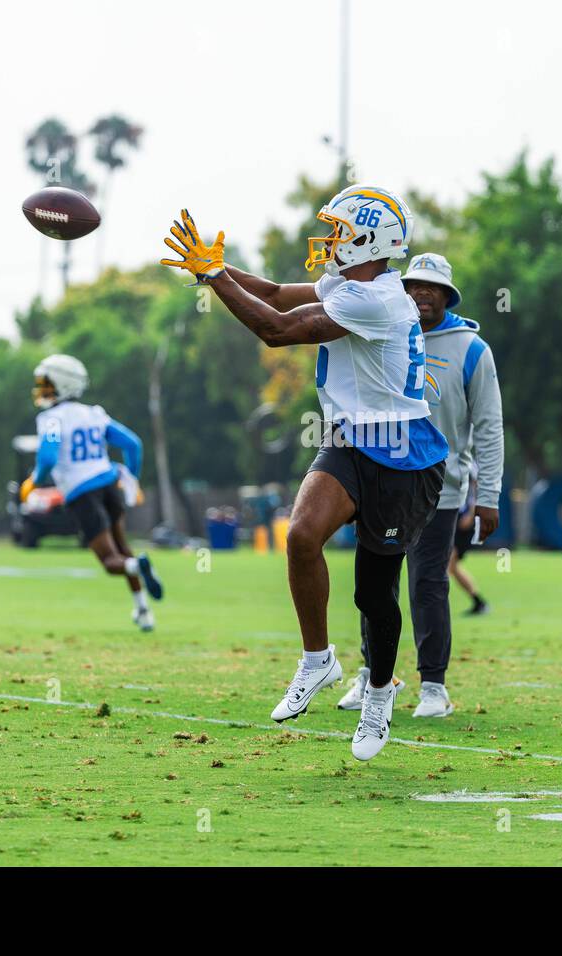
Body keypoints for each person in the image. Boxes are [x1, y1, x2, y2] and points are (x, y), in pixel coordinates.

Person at [160, 187, 448, 761]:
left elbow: (276, 328)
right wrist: (212, 267)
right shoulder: (350, 285)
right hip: (351, 438)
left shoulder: (379, 301)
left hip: (402, 451)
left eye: (341, 232)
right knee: (300, 536)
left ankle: (378, 696)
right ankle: (318, 660)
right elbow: (268, 292)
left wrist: (214, 278)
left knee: (375, 593)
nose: (331, 241)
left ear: (370, 240)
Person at [339, 252, 503, 718]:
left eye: (434, 288)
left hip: (442, 487)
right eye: (415, 286)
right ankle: (376, 675)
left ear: (448, 296)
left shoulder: (472, 349)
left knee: (428, 584)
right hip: (384, 480)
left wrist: (487, 496)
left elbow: (489, 427)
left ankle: (433, 687)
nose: (423, 294)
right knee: (375, 585)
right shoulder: (384, 329)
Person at [20, 354, 163, 630]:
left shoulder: (51, 418)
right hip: (109, 483)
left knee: (111, 562)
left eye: (46, 384)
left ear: (63, 384)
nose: (41, 389)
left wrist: (33, 481)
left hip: (82, 492)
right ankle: (143, 611)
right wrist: (130, 478)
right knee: (123, 549)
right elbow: (133, 444)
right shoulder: (94, 413)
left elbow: (48, 458)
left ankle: (138, 568)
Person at [449, 466, 490, 617]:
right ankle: (479, 601)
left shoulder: (468, 464)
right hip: (453, 516)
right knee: (451, 567)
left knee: (447, 563)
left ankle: (429, 605)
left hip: (464, 520)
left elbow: (478, 489)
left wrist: (472, 513)